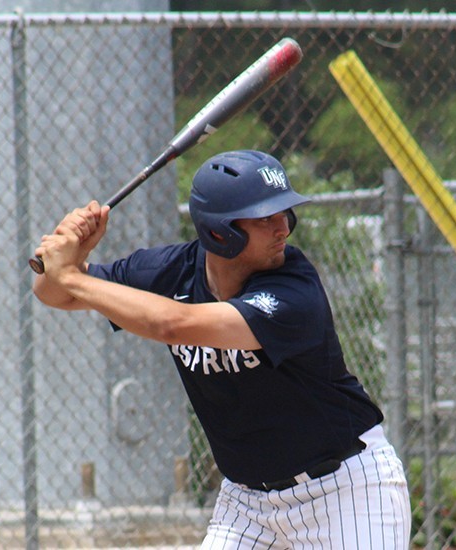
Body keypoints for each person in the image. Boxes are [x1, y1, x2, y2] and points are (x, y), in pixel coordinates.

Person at [33, 150, 411, 548]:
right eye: (265, 218)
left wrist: (72, 276)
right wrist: (68, 255)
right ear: (219, 232)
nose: (282, 228)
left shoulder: (294, 290)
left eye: (284, 213)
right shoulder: (168, 270)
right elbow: (53, 294)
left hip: (344, 490)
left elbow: (173, 324)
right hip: (247, 504)